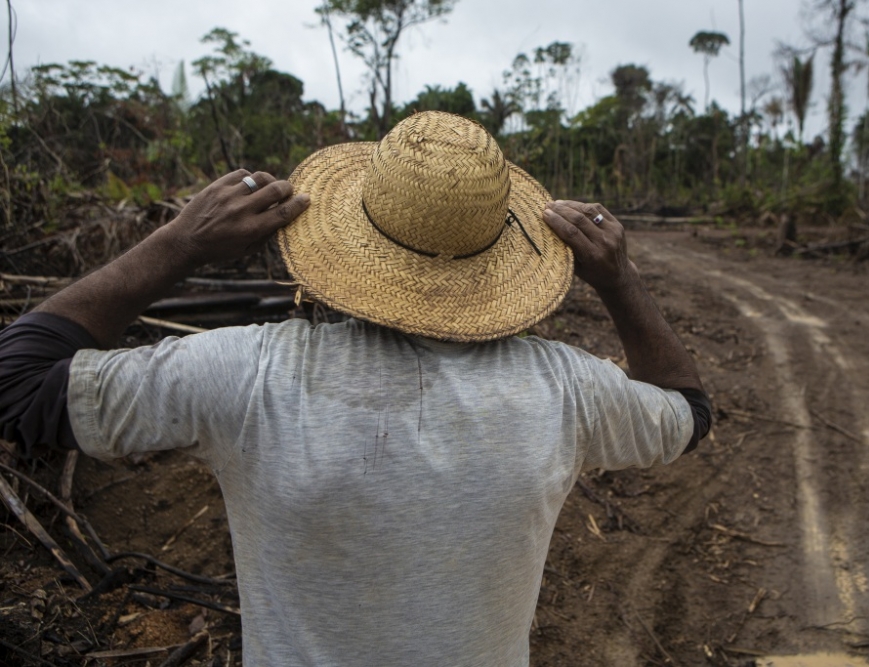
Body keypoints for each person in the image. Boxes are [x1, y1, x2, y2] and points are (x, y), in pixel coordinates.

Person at [0, 111, 710, 666]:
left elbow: (19, 380)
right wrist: (618, 277)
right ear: (500, 249)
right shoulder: (565, 389)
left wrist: (181, 242)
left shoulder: (252, 375)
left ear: (346, 235)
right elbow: (687, 409)